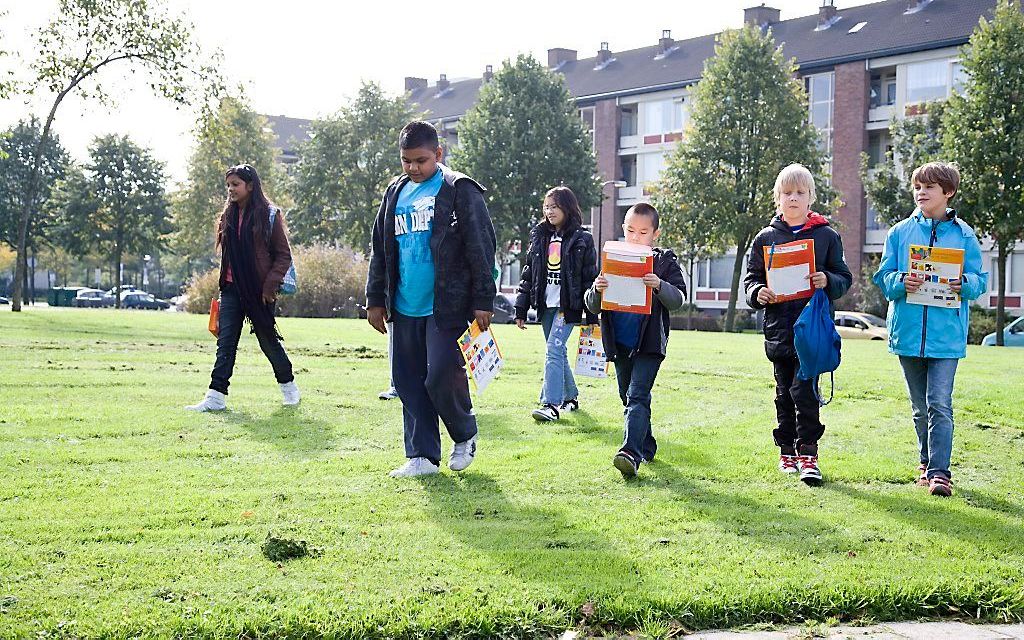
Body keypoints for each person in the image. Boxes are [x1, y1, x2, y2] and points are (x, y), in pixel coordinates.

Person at [365, 121, 497, 478]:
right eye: (406, 161)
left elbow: (481, 245)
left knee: (440, 374)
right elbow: (381, 249)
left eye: (420, 160)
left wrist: (485, 298)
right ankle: (422, 456)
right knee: (406, 378)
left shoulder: (460, 189)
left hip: (447, 305)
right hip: (405, 305)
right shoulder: (394, 193)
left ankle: (464, 434)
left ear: (439, 154)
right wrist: (375, 298)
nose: (413, 168)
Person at [873, 161, 987, 497]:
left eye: (929, 187)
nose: (921, 193)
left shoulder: (964, 235)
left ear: (948, 193)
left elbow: (980, 281)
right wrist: (900, 281)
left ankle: (940, 473)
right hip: (907, 334)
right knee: (920, 407)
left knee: (939, 403)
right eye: (917, 187)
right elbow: (883, 277)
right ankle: (925, 463)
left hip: (946, 338)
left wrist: (963, 283)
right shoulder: (898, 233)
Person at [744, 163, 852, 486]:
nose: (793, 198)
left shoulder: (826, 236)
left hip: (811, 331)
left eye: (800, 193)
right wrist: (757, 292)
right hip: (778, 330)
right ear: (777, 199)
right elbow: (751, 279)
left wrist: (826, 279)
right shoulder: (764, 238)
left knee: (804, 392)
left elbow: (844, 278)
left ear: (810, 198)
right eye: (787, 193)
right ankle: (786, 451)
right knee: (783, 393)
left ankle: (809, 453)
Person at [584, 203, 686, 478]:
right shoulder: (613, 258)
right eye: (630, 230)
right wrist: (596, 289)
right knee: (626, 396)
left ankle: (630, 452)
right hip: (620, 342)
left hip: (650, 344)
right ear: (623, 229)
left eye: (642, 232)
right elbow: (592, 305)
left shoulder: (664, 262)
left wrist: (659, 285)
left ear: (655, 233)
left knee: (637, 395)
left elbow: (678, 299)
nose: (635, 237)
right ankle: (646, 444)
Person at [186, 164, 299, 412]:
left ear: (250, 186)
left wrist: (270, 285)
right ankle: (215, 397)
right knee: (226, 342)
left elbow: (283, 255)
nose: (230, 190)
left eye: (235, 185)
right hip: (230, 289)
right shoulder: (227, 215)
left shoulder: (269, 215)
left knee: (268, 341)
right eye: (228, 185)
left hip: (259, 291)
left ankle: (289, 387)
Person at [514, 186, 599, 422]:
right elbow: (529, 273)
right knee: (557, 351)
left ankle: (550, 405)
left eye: (555, 206)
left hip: (567, 306)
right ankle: (570, 397)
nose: (549, 211)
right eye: (546, 207)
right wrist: (521, 308)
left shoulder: (583, 239)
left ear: (567, 208)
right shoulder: (540, 236)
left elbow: (589, 278)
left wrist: (592, 315)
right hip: (545, 305)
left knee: (553, 349)